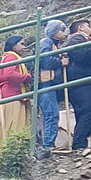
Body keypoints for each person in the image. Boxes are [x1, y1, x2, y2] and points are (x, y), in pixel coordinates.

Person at [64, 20, 91, 151]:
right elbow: (81, 54)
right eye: (88, 26)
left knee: (86, 111)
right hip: (82, 80)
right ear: (80, 28)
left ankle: (82, 141)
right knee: (87, 110)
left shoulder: (80, 40)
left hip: (84, 80)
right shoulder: (76, 39)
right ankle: (79, 142)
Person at [0, 34, 32, 153]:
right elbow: (8, 74)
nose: (23, 47)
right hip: (12, 96)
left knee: (15, 123)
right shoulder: (11, 57)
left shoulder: (9, 57)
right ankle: (10, 150)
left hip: (13, 95)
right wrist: (27, 77)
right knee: (14, 124)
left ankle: (13, 150)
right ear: (13, 45)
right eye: (21, 44)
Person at [34, 19, 67, 152]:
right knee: (50, 114)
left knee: (53, 114)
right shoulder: (45, 43)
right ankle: (48, 144)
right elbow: (44, 61)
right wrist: (60, 61)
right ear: (54, 32)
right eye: (61, 30)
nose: (64, 33)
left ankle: (49, 143)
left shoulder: (53, 45)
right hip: (45, 84)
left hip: (50, 84)